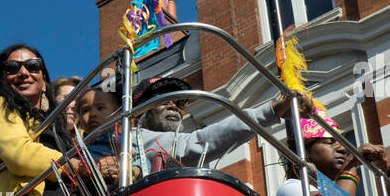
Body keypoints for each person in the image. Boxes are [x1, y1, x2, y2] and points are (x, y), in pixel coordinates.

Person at [0, 44, 92, 196]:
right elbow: (20, 154)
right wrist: (74, 166)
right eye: (12, 68)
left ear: (44, 81)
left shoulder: (57, 121)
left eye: (32, 66)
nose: (23, 72)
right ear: (3, 79)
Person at [135, 76, 316, 172]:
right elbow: (194, 145)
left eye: (178, 102)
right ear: (140, 112)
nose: (173, 105)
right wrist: (272, 110)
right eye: (164, 100)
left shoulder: (178, 143)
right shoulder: (135, 139)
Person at [78, 87, 144, 187]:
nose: (92, 114)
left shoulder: (123, 139)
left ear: (117, 114)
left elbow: (142, 159)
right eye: (85, 110)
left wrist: (134, 170)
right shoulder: (78, 148)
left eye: (100, 108)